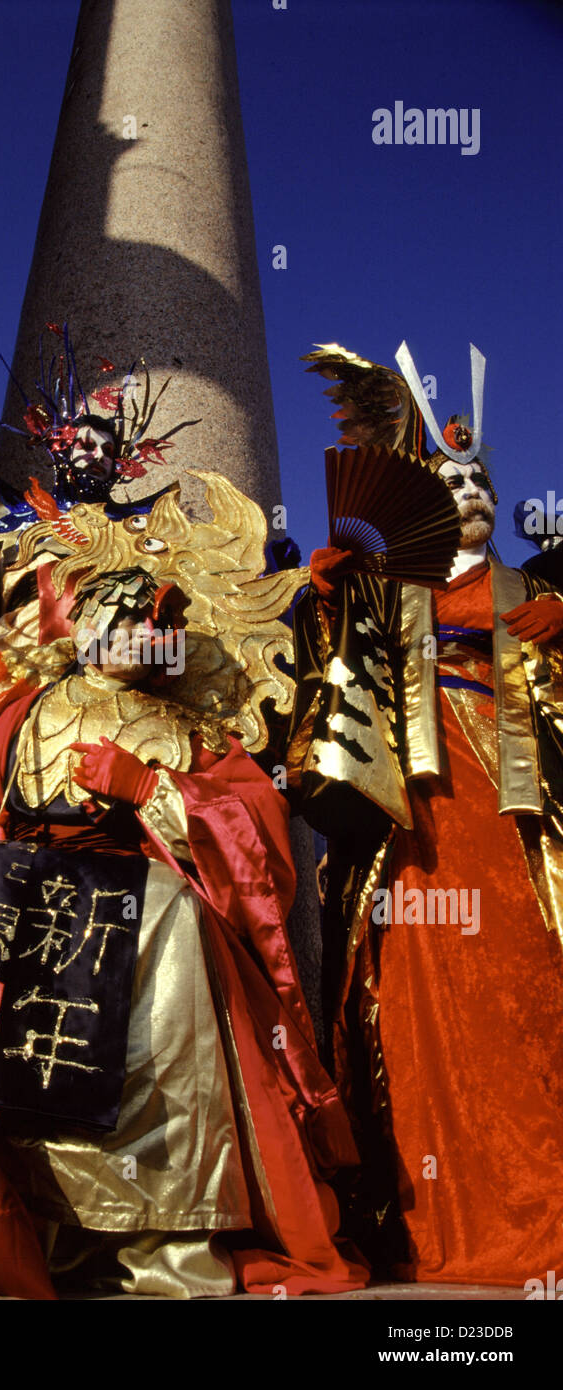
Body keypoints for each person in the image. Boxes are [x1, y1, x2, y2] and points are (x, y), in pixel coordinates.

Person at [0, 566, 367, 1298]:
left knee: (172, 916)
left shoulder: (188, 729)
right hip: (18, 880)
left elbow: (255, 833)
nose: (126, 633)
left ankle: (169, 1227)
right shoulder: (14, 718)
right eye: (111, 617)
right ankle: (29, 1215)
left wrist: (152, 790)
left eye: (147, 624)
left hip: (144, 888)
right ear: (77, 625)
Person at [290, 413, 563, 1286]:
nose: (474, 493)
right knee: (404, 994)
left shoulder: (534, 588)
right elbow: (324, 690)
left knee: (526, 990)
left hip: (509, 803)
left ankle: (539, 1200)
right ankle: (422, 1215)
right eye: (453, 485)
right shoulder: (384, 585)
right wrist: (323, 602)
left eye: (482, 480)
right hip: (406, 809)